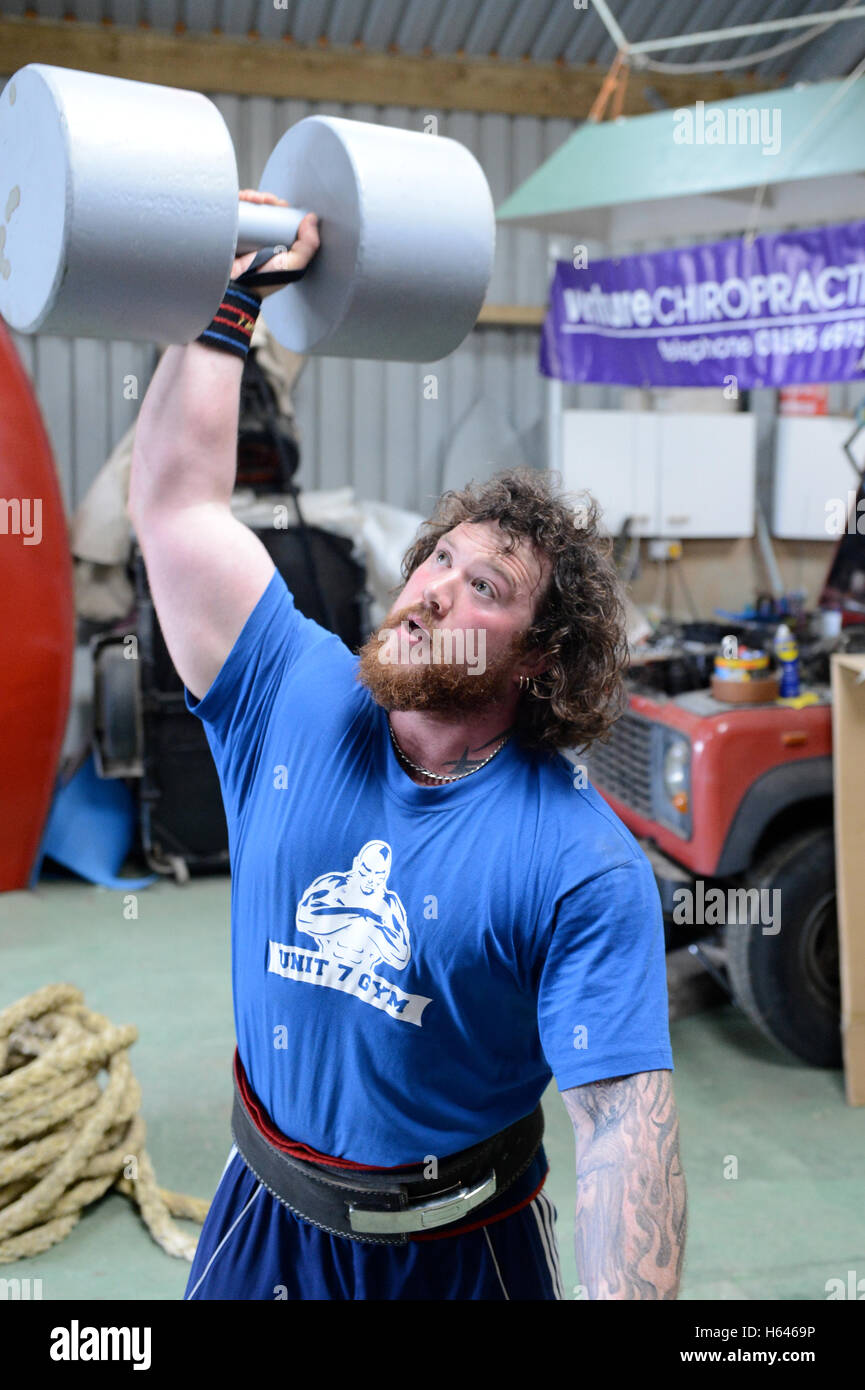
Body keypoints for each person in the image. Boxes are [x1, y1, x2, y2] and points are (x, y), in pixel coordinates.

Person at [128, 192, 686, 1301]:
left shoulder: (578, 861)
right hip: (265, 1222)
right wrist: (233, 298)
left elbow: (622, 1128)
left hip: (457, 1258)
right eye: (437, 558)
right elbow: (179, 509)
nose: (430, 587)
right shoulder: (292, 689)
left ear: (539, 663)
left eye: (483, 586)